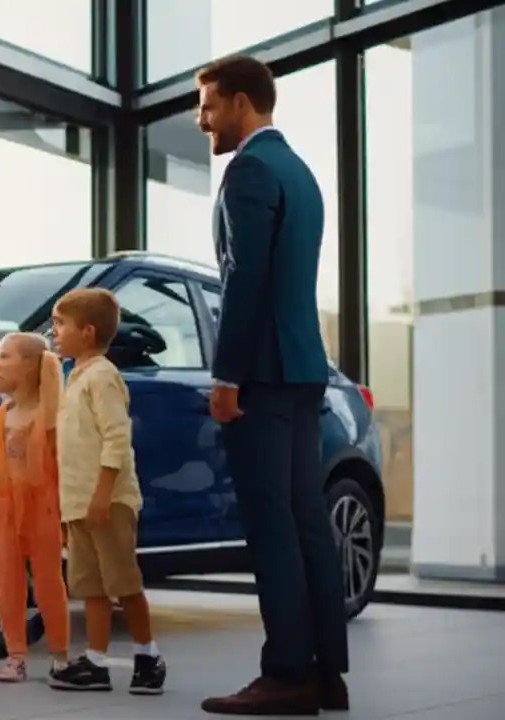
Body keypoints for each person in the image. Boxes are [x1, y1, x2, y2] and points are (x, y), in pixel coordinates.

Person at [195, 55, 350, 716]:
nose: (202, 121)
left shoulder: (250, 170)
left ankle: (286, 672)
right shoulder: (302, 173)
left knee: (272, 527)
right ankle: (326, 671)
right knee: (307, 521)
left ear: (239, 103)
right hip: (305, 369)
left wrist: (226, 376)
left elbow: (244, 281)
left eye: (207, 106)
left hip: (260, 373)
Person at [47, 288, 166, 697]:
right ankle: (96, 662)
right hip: (80, 505)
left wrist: (102, 495)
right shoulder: (75, 376)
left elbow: (117, 438)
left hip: (108, 502)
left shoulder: (102, 376)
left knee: (124, 583)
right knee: (91, 588)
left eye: (60, 324)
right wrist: (69, 509)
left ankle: (147, 656)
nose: (54, 332)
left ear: (88, 331)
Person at [0, 332, 71, 683]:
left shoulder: (50, 416)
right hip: (7, 507)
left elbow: (60, 462)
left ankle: (60, 656)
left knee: (49, 580)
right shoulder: (0, 417)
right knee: (7, 581)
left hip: (44, 507)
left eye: (5, 357)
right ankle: (15, 654)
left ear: (30, 365)